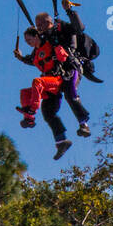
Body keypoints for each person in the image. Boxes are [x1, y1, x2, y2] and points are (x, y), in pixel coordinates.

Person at [14, 26, 88, 159]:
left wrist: (53, 39)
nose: (28, 43)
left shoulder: (49, 43)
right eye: (26, 41)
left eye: (29, 39)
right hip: (48, 83)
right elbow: (31, 61)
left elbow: (61, 53)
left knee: (37, 82)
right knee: (37, 103)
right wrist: (20, 57)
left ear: (36, 36)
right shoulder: (35, 53)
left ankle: (32, 109)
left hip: (58, 79)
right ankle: (60, 141)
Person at [35, 0, 101, 83]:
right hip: (59, 68)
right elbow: (36, 57)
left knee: (69, 92)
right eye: (37, 26)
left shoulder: (61, 27)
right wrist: (21, 58)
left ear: (47, 22)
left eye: (39, 25)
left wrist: (69, 10)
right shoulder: (44, 39)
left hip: (71, 62)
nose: (38, 28)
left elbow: (79, 28)